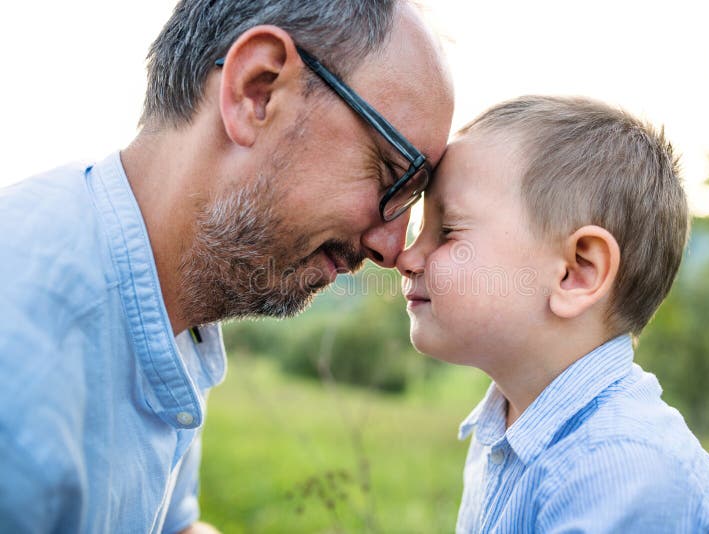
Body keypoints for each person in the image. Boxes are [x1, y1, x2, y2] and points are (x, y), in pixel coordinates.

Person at [0, 0, 453, 531]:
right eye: (392, 174)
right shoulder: (23, 359)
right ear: (256, 90)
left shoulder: (171, 293)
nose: (393, 248)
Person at [397, 95, 709, 532]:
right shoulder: (508, 426)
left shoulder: (622, 469)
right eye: (418, 229)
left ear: (576, 272)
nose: (406, 257)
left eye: (447, 231)